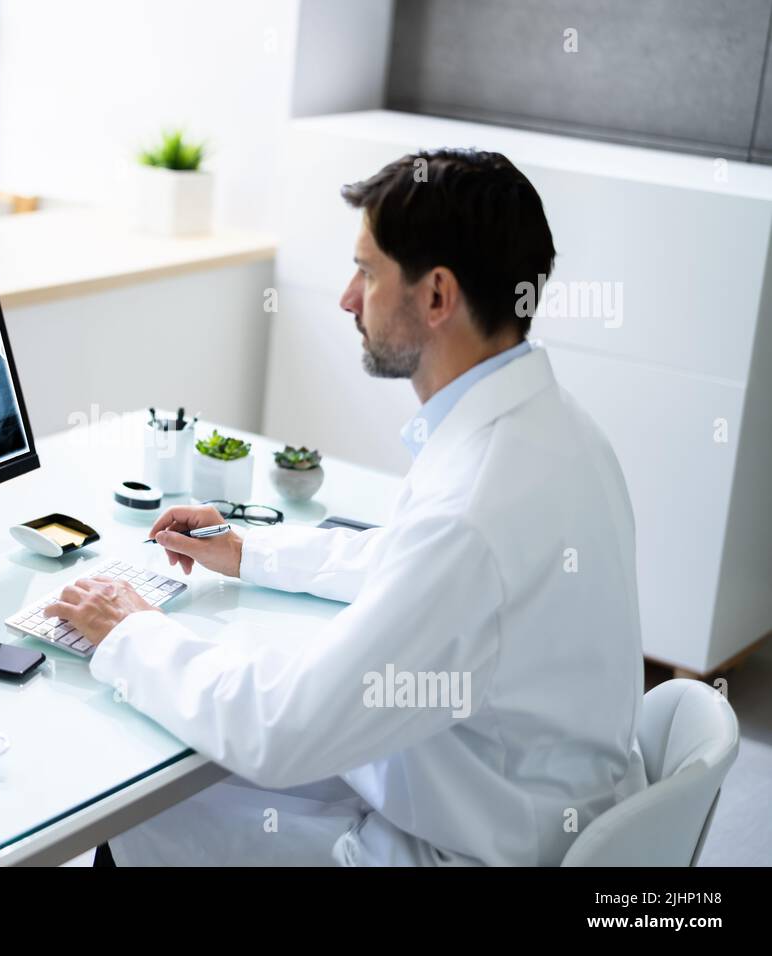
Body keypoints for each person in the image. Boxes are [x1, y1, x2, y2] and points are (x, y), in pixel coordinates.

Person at [45, 148, 648, 866]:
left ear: (435, 297)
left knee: (144, 815)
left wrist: (131, 631)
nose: (346, 298)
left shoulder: (472, 510)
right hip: (516, 801)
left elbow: (281, 729)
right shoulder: (557, 432)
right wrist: (251, 551)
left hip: (460, 847)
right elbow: (412, 559)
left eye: (366, 271)